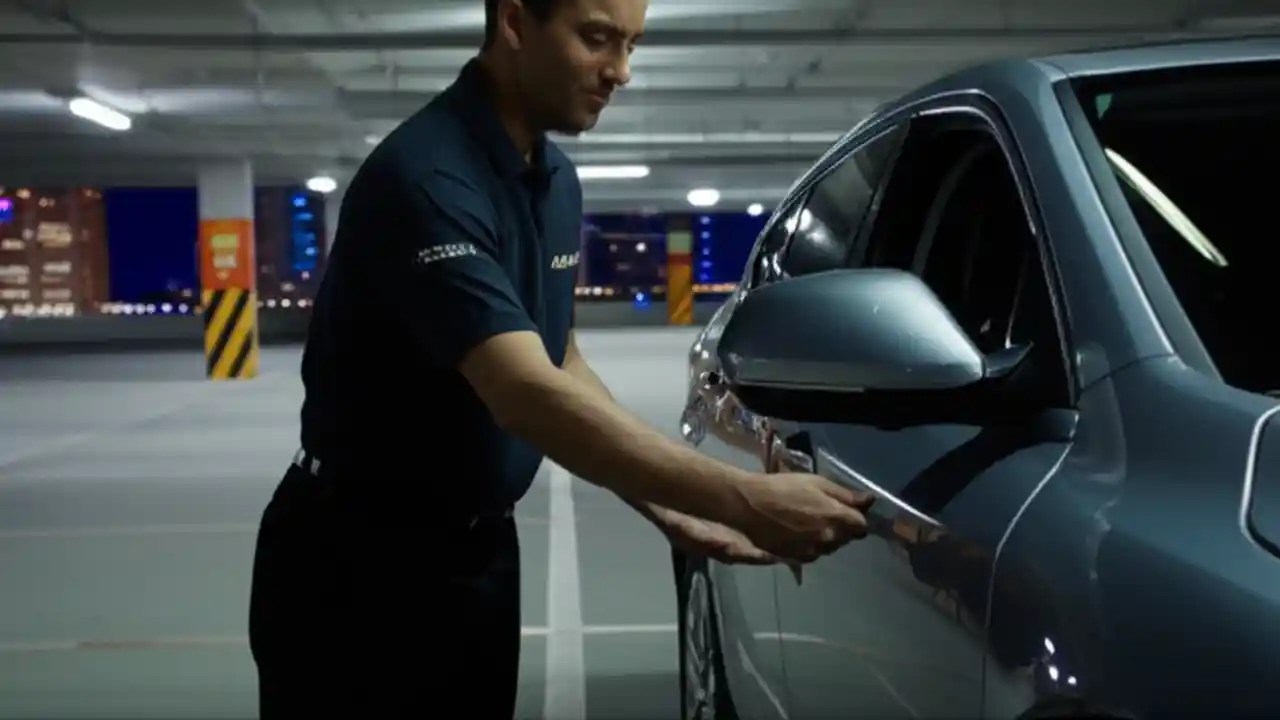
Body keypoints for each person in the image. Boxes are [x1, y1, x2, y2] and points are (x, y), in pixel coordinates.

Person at [246, 0, 872, 716]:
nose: (622, 72)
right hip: (359, 567)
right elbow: (523, 392)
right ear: (515, 23)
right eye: (599, 39)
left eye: (632, 45)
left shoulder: (554, 181)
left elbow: (558, 357)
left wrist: (667, 504)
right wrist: (740, 499)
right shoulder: (427, 181)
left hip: (477, 552)